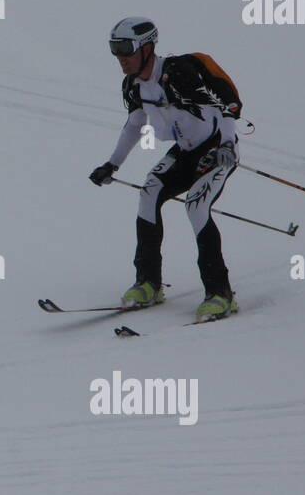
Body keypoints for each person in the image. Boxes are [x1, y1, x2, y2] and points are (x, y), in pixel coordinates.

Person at [89, 17, 242, 321]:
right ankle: (148, 283)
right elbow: (134, 125)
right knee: (149, 192)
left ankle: (220, 294)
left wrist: (226, 145)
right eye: (114, 49)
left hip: (215, 148)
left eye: (126, 49)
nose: (120, 58)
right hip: (184, 152)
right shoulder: (135, 85)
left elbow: (225, 107)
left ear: (147, 47)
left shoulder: (179, 74)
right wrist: (112, 164)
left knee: (196, 206)